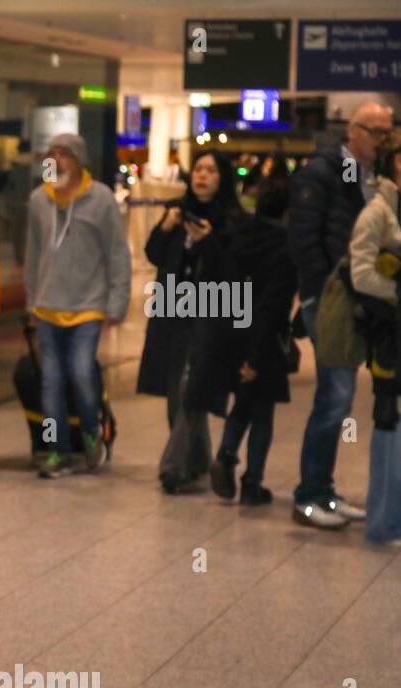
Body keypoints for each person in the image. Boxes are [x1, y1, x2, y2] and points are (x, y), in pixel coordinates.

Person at [289, 101, 395, 528]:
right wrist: (324, 291)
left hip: (355, 301)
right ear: (352, 130)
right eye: (376, 132)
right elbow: (304, 241)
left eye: (388, 132)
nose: (383, 140)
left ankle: (324, 490)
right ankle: (309, 495)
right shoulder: (322, 173)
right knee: (334, 396)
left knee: (341, 396)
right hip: (331, 300)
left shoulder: (368, 177)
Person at [23, 131, 130, 478]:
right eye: (52, 154)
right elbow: (33, 254)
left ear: (79, 160)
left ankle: (91, 431)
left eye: (65, 154)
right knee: (51, 381)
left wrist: (117, 302)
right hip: (48, 306)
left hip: (88, 305)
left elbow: (117, 254)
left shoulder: (101, 199)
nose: (57, 160)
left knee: (82, 374)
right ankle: (58, 450)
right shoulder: (39, 199)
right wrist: (31, 302)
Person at [138, 149, 244, 493]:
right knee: (175, 394)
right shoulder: (177, 212)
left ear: (221, 178)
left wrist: (210, 240)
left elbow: (234, 268)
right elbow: (154, 254)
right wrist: (165, 227)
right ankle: (197, 460)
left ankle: (174, 466)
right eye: (198, 169)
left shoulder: (231, 219)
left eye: (210, 171)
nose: (201, 176)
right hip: (175, 311)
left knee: (192, 390)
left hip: (212, 312)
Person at [207, 171, 298, 505]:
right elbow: (273, 305)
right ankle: (252, 481)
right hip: (263, 339)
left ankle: (227, 454)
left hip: (231, 332)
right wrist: (257, 357)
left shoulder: (238, 236)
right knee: (263, 413)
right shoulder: (285, 249)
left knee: (243, 402)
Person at [348, 134, 401, 544]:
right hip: (390, 337)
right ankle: (384, 523)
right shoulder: (377, 212)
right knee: (389, 422)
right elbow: (360, 274)